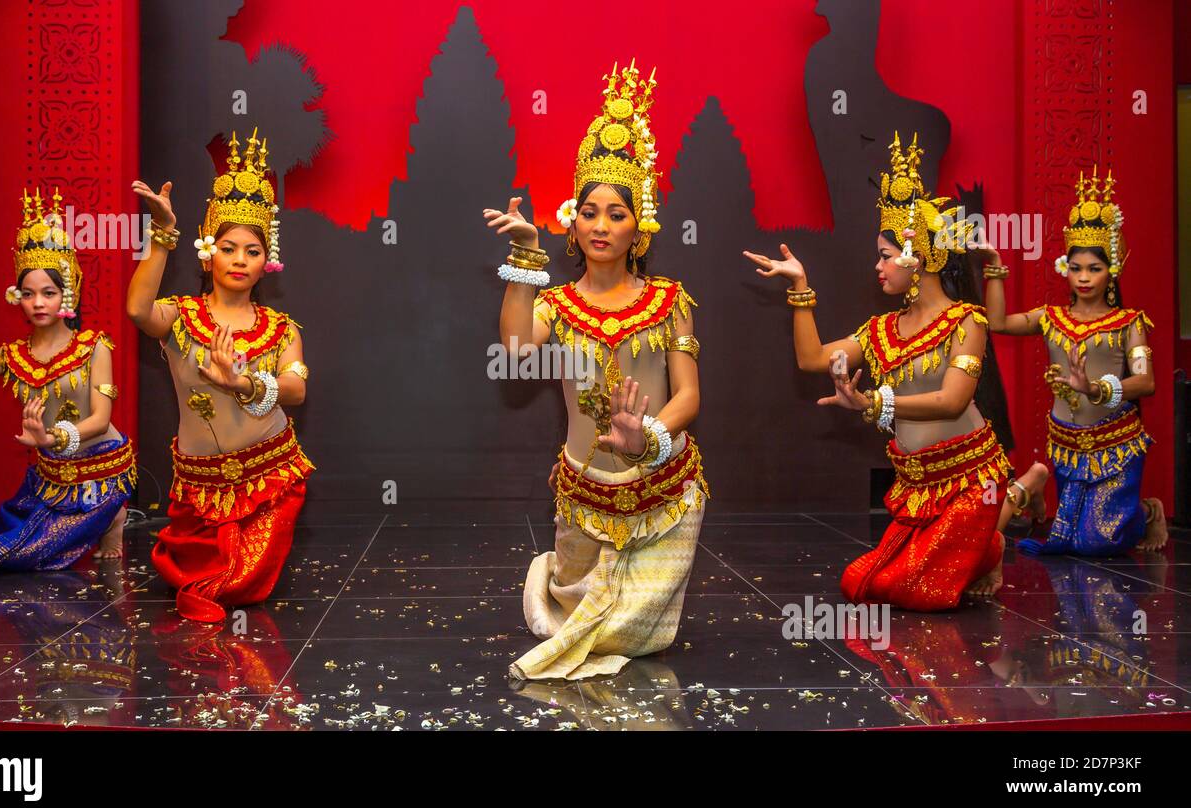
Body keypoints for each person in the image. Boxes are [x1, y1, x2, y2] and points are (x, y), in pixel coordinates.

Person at [746, 133, 1038, 608]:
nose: (876, 266)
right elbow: (814, 359)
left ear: (916, 257)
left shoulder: (967, 322)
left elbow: (953, 401)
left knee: (917, 594)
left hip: (969, 481)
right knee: (861, 583)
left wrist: (876, 402)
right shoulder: (882, 330)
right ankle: (987, 544)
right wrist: (800, 286)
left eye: (884, 255)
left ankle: (993, 534)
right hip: (918, 486)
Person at [484, 61, 708, 680]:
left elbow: (687, 397)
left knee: (629, 637)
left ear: (640, 227)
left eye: (617, 213)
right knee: (583, 623)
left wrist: (651, 437)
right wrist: (526, 259)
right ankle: (567, 589)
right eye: (589, 212)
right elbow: (512, 352)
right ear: (572, 223)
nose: (601, 225)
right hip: (584, 494)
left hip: (662, 494)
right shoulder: (555, 303)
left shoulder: (669, 300)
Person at [125, 128, 313, 623]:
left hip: (269, 482)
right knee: (192, 580)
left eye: (252, 252)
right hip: (198, 486)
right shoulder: (180, 315)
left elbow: (295, 390)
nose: (239, 261)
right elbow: (136, 309)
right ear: (208, 251)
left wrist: (244, 383)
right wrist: (162, 235)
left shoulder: (279, 328)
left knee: (240, 587)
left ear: (264, 262)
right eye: (230, 248)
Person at [0, 188, 135, 574]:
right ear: (18, 297)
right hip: (51, 477)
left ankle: (113, 513)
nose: (38, 302)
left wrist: (52, 439)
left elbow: (100, 419)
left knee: (37, 556)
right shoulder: (17, 355)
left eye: (49, 292)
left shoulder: (94, 347)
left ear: (69, 294)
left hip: (100, 472)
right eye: (28, 293)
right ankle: (90, 521)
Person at [983, 167, 1167, 555]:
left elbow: (1145, 382)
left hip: (1116, 446)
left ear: (1111, 272)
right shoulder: (1050, 318)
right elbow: (997, 323)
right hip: (1067, 445)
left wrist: (1096, 388)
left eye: (1094, 269)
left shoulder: (1129, 323)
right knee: (1070, 540)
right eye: (1076, 268)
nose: (1083, 278)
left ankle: (1149, 511)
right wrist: (996, 269)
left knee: (1099, 541)